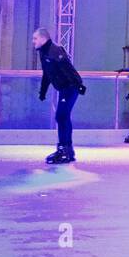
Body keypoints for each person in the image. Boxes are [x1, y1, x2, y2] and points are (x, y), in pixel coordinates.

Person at [33, 28, 85, 164]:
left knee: (61, 116)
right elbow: (47, 73)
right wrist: (43, 91)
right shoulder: (43, 53)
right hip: (64, 88)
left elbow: (68, 68)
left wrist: (78, 85)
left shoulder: (55, 51)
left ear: (43, 38)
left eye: (35, 38)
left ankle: (64, 150)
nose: (33, 41)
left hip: (71, 87)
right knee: (63, 116)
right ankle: (67, 150)